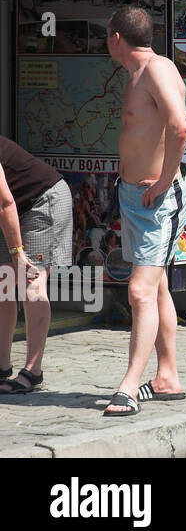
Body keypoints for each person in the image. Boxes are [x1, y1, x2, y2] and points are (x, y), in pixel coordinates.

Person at [103, 7, 186, 416]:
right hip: (135, 199)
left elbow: (180, 127)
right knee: (155, 289)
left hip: (158, 201)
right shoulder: (137, 73)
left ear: (115, 37)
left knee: (139, 291)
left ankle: (128, 387)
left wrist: (163, 181)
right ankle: (167, 376)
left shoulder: (156, 69)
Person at [0, 137, 74, 395]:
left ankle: (33, 371)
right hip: (15, 208)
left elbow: (4, 202)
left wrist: (18, 254)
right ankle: (2, 367)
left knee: (32, 283)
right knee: (3, 285)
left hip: (43, 200)